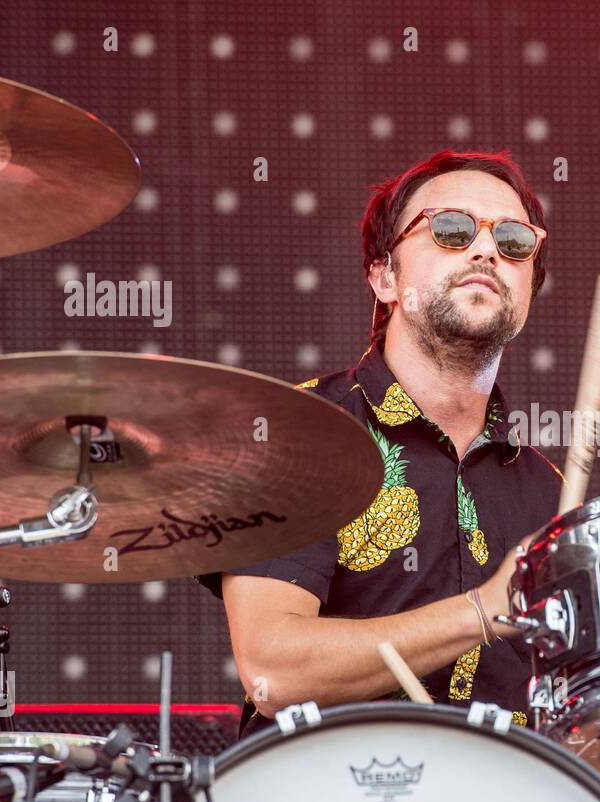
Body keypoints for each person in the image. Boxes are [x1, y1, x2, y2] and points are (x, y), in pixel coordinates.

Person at [198, 150, 562, 737]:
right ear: (385, 277)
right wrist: (481, 612)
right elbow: (272, 671)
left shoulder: (548, 490)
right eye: (451, 228)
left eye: (515, 240)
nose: (486, 250)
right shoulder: (298, 431)